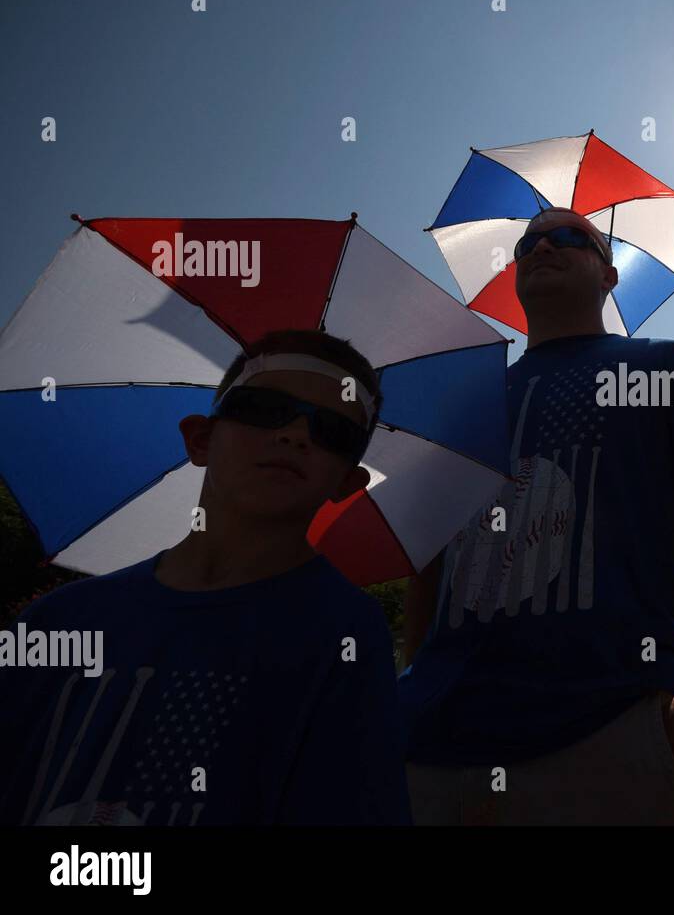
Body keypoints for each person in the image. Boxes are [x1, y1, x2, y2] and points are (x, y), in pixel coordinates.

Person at [400, 207, 674, 825]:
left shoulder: (664, 367)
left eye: (569, 239)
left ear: (610, 276)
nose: (543, 248)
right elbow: (431, 555)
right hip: (434, 747)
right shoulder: (468, 404)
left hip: (616, 729)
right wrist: (413, 684)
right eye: (529, 243)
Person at [0, 329, 411, 825]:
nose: (296, 435)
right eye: (264, 408)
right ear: (201, 438)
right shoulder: (56, 620)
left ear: (348, 483)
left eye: (334, 432)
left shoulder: (345, 632)